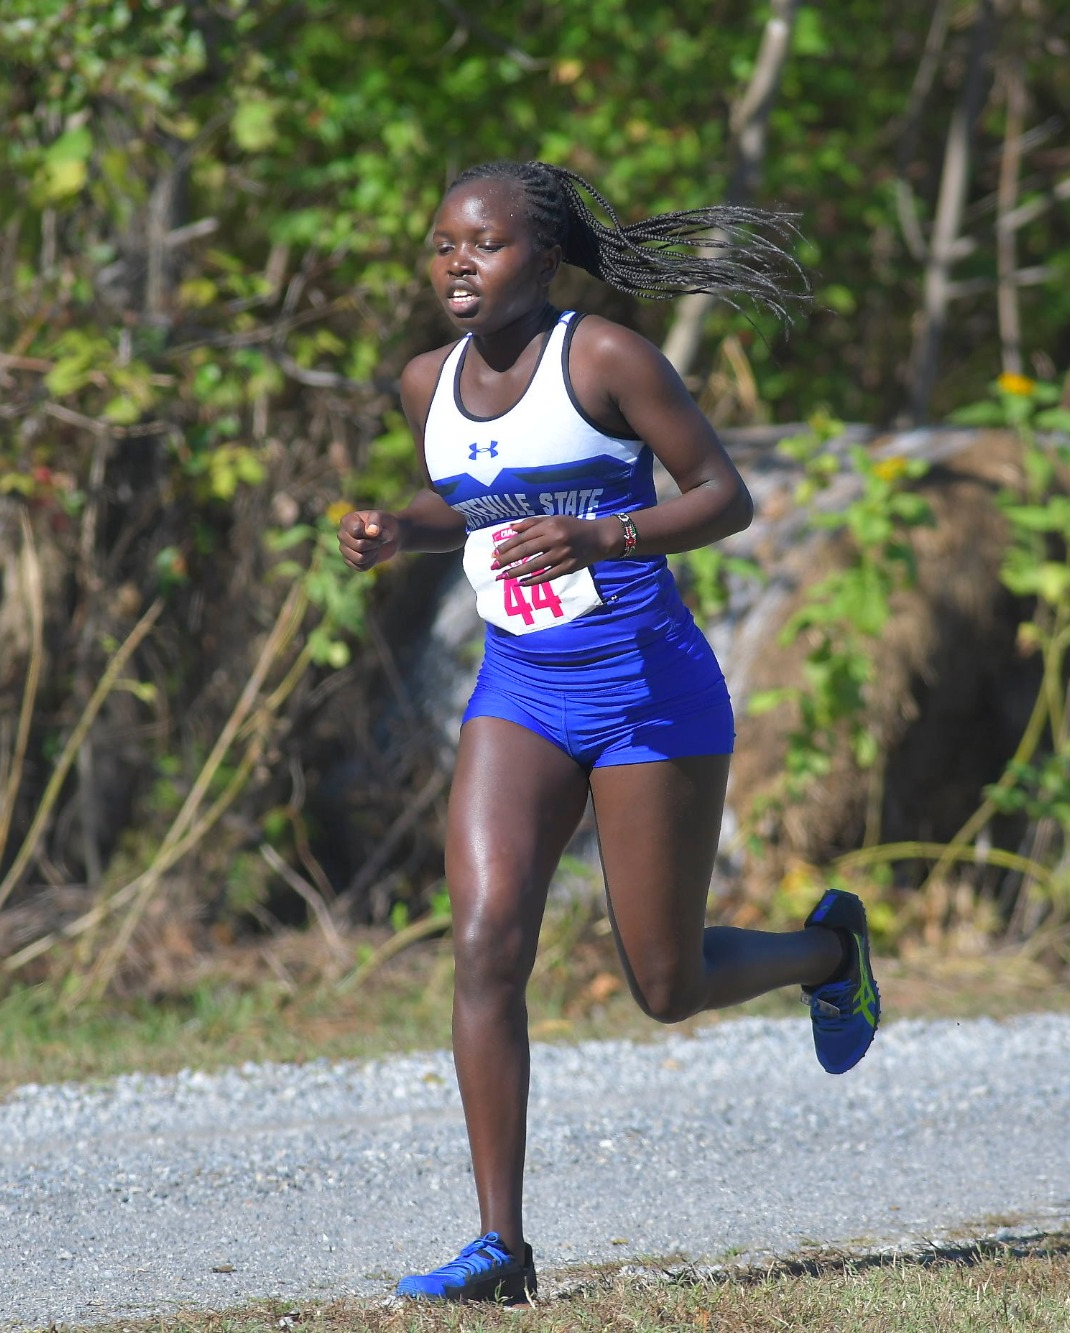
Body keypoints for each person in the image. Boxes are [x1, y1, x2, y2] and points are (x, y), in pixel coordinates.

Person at [336, 160, 880, 1306]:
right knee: (485, 940)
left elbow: (721, 495)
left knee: (664, 983)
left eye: (482, 245)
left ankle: (829, 951)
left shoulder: (606, 358)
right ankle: (502, 1250)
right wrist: (398, 529)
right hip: (520, 690)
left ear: (542, 256)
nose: (456, 265)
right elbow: (464, 504)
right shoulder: (422, 381)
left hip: (647, 689)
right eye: (441, 245)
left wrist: (606, 538)